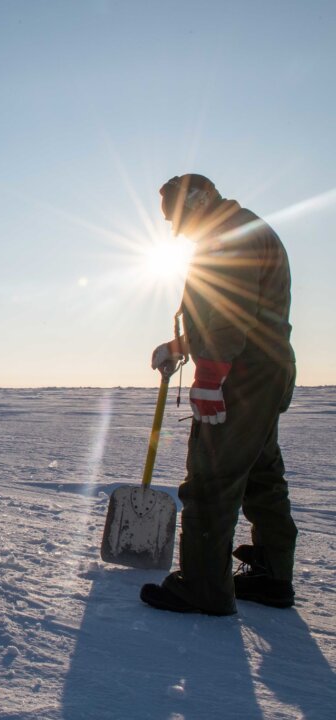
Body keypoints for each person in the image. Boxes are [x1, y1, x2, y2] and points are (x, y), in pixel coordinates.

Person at [141, 174, 297, 615]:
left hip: (242, 375)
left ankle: (203, 587)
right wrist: (179, 347)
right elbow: (239, 314)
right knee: (261, 473)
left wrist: (209, 376)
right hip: (264, 370)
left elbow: (229, 314)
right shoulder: (241, 228)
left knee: (211, 478)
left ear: (196, 203)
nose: (178, 230)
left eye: (178, 219)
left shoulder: (227, 236)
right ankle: (272, 576)